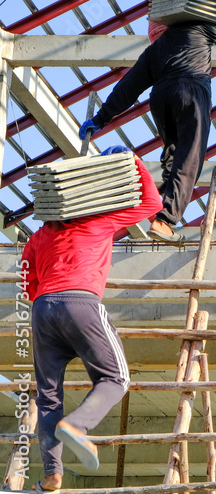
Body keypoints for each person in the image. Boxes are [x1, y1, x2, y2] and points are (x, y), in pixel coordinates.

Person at [23, 147, 163, 492]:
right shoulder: (100, 221)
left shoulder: (38, 237)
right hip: (81, 301)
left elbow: (29, 282)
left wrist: (48, 305)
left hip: (42, 309)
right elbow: (152, 204)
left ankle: (52, 474)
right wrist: (135, 163)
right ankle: (78, 426)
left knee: (48, 397)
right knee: (116, 377)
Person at [79, 19, 216, 242]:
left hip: (161, 99)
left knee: (174, 157)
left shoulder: (153, 50)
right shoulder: (197, 28)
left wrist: (100, 118)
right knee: (189, 158)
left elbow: (127, 88)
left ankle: (156, 206)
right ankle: (164, 220)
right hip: (191, 91)